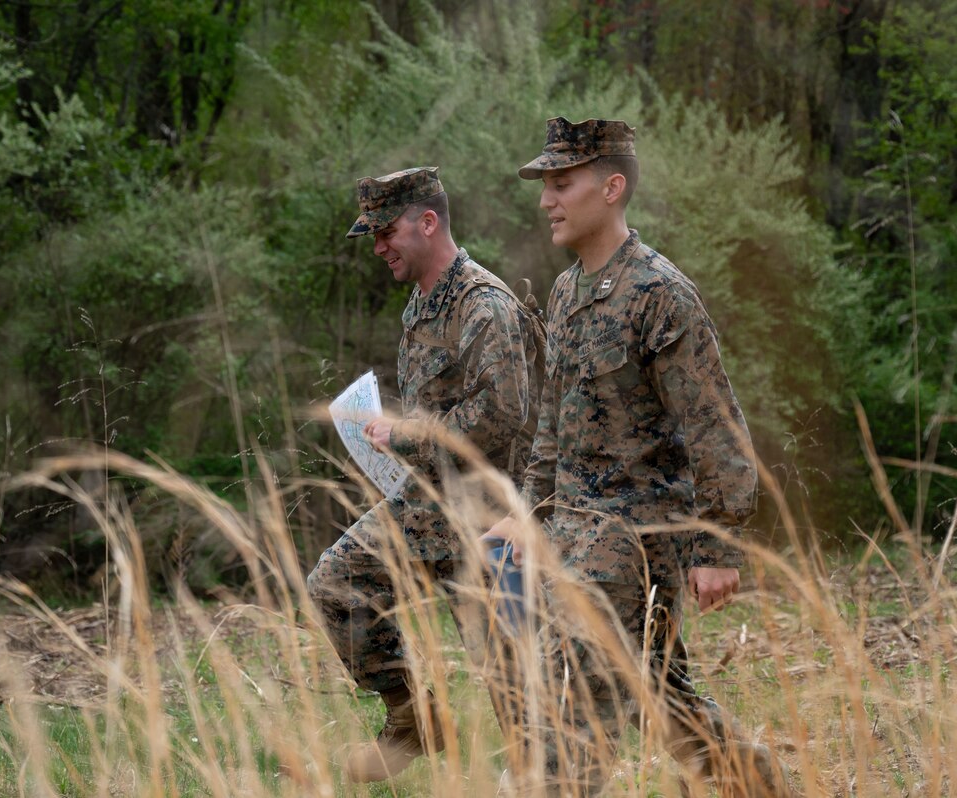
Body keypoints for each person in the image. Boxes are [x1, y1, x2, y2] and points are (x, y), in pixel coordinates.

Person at [485, 119, 793, 797]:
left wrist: (719, 546)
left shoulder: (660, 294)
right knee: (663, 699)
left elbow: (715, 424)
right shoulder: (565, 294)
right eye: (545, 186)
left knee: (570, 710)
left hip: (637, 546)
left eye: (562, 183)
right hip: (571, 533)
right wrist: (526, 514)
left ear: (612, 186)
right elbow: (551, 430)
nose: (547, 201)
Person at [307, 166, 539, 783]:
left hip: (488, 519)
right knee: (335, 584)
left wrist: (407, 433)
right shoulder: (420, 305)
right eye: (373, 236)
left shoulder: (483, 305)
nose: (378, 248)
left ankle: (539, 778)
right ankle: (413, 719)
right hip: (425, 506)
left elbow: (505, 413)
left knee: (508, 673)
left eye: (385, 233)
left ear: (428, 222)